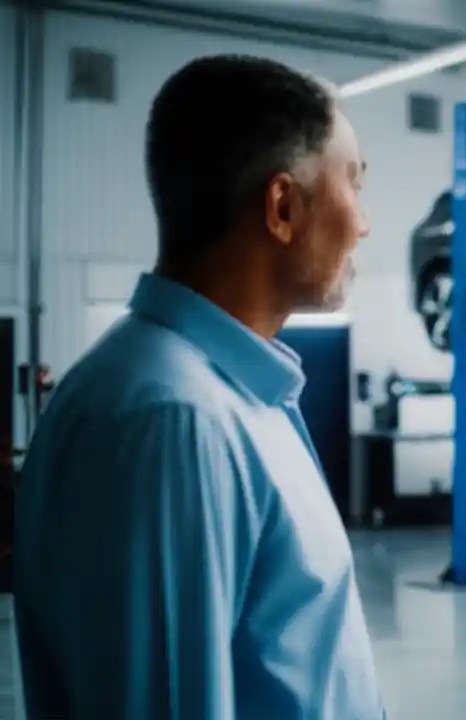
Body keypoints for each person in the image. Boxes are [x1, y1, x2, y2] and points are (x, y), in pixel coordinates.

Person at [13, 55, 383, 719]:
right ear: (282, 206)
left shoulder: (231, 399)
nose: (364, 224)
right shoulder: (176, 421)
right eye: (354, 185)